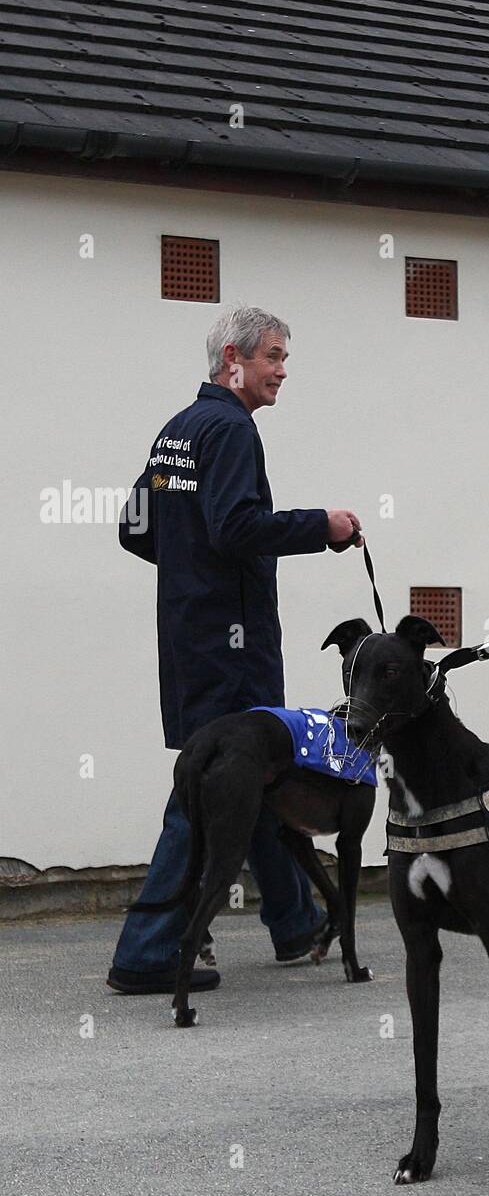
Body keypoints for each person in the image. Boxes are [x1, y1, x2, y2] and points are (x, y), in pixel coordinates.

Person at [107, 306, 363, 995]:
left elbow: (134, 528)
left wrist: (188, 570)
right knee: (212, 786)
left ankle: (294, 923)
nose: (282, 371)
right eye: (273, 357)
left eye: (283, 359)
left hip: (192, 634)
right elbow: (234, 527)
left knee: (259, 776)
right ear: (233, 358)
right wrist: (325, 528)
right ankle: (149, 948)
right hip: (232, 645)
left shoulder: (179, 430)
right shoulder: (232, 429)